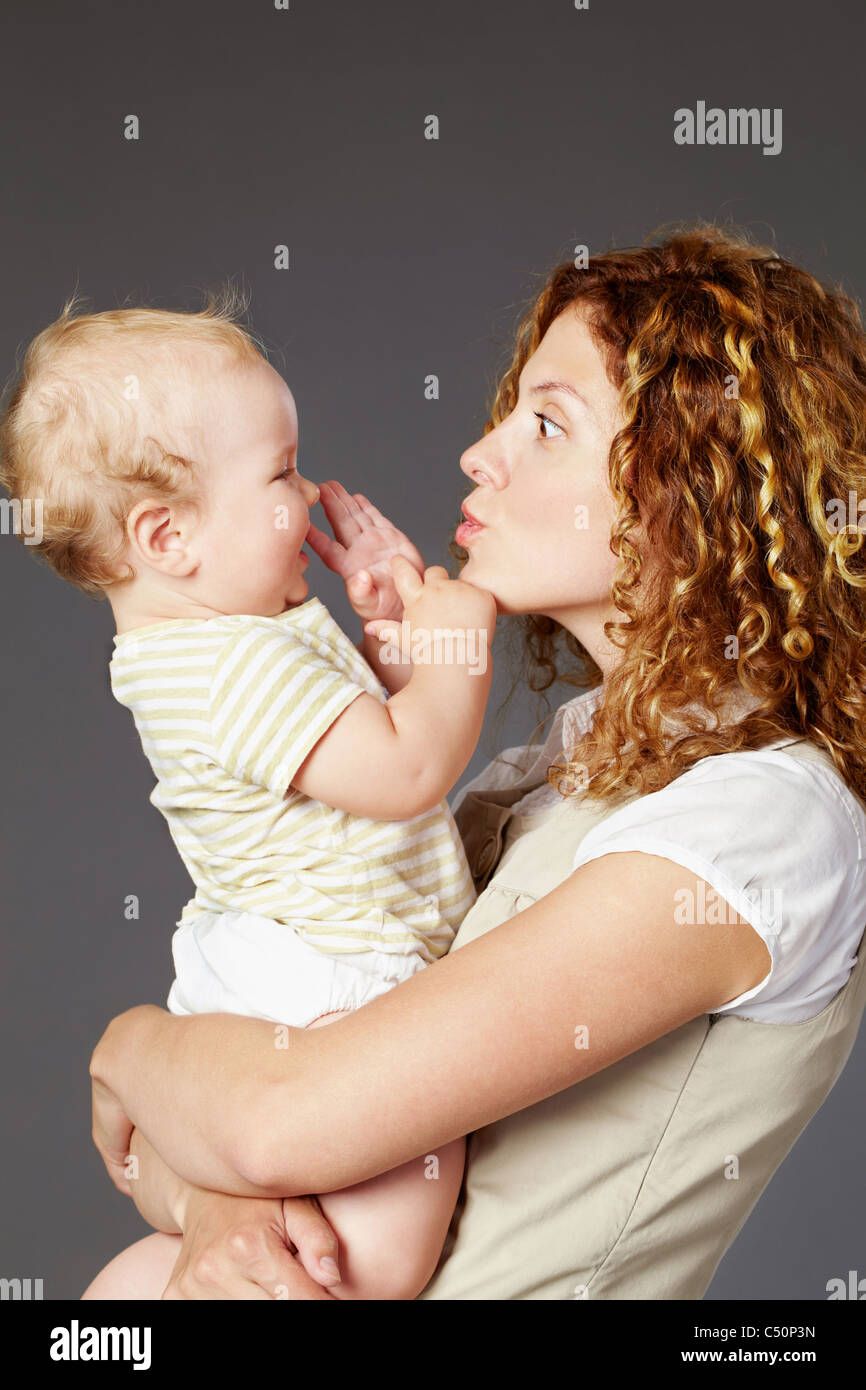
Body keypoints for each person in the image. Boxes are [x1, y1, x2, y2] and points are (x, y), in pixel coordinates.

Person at [79, 222, 866, 1298]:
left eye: (546, 423)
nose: (478, 453)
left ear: (689, 485)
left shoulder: (763, 820)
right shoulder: (546, 778)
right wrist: (223, 1213)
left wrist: (125, 1048)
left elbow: (280, 1113)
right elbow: (231, 1140)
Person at [0, 297, 505, 1298]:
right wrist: (458, 643)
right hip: (329, 986)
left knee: (259, 1258)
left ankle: (135, 1291)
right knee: (369, 1267)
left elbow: (364, 755)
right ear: (167, 534)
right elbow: (406, 774)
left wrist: (393, 641)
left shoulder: (223, 640)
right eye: (280, 472)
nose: (310, 485)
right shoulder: (223, 668)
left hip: (280, 970)